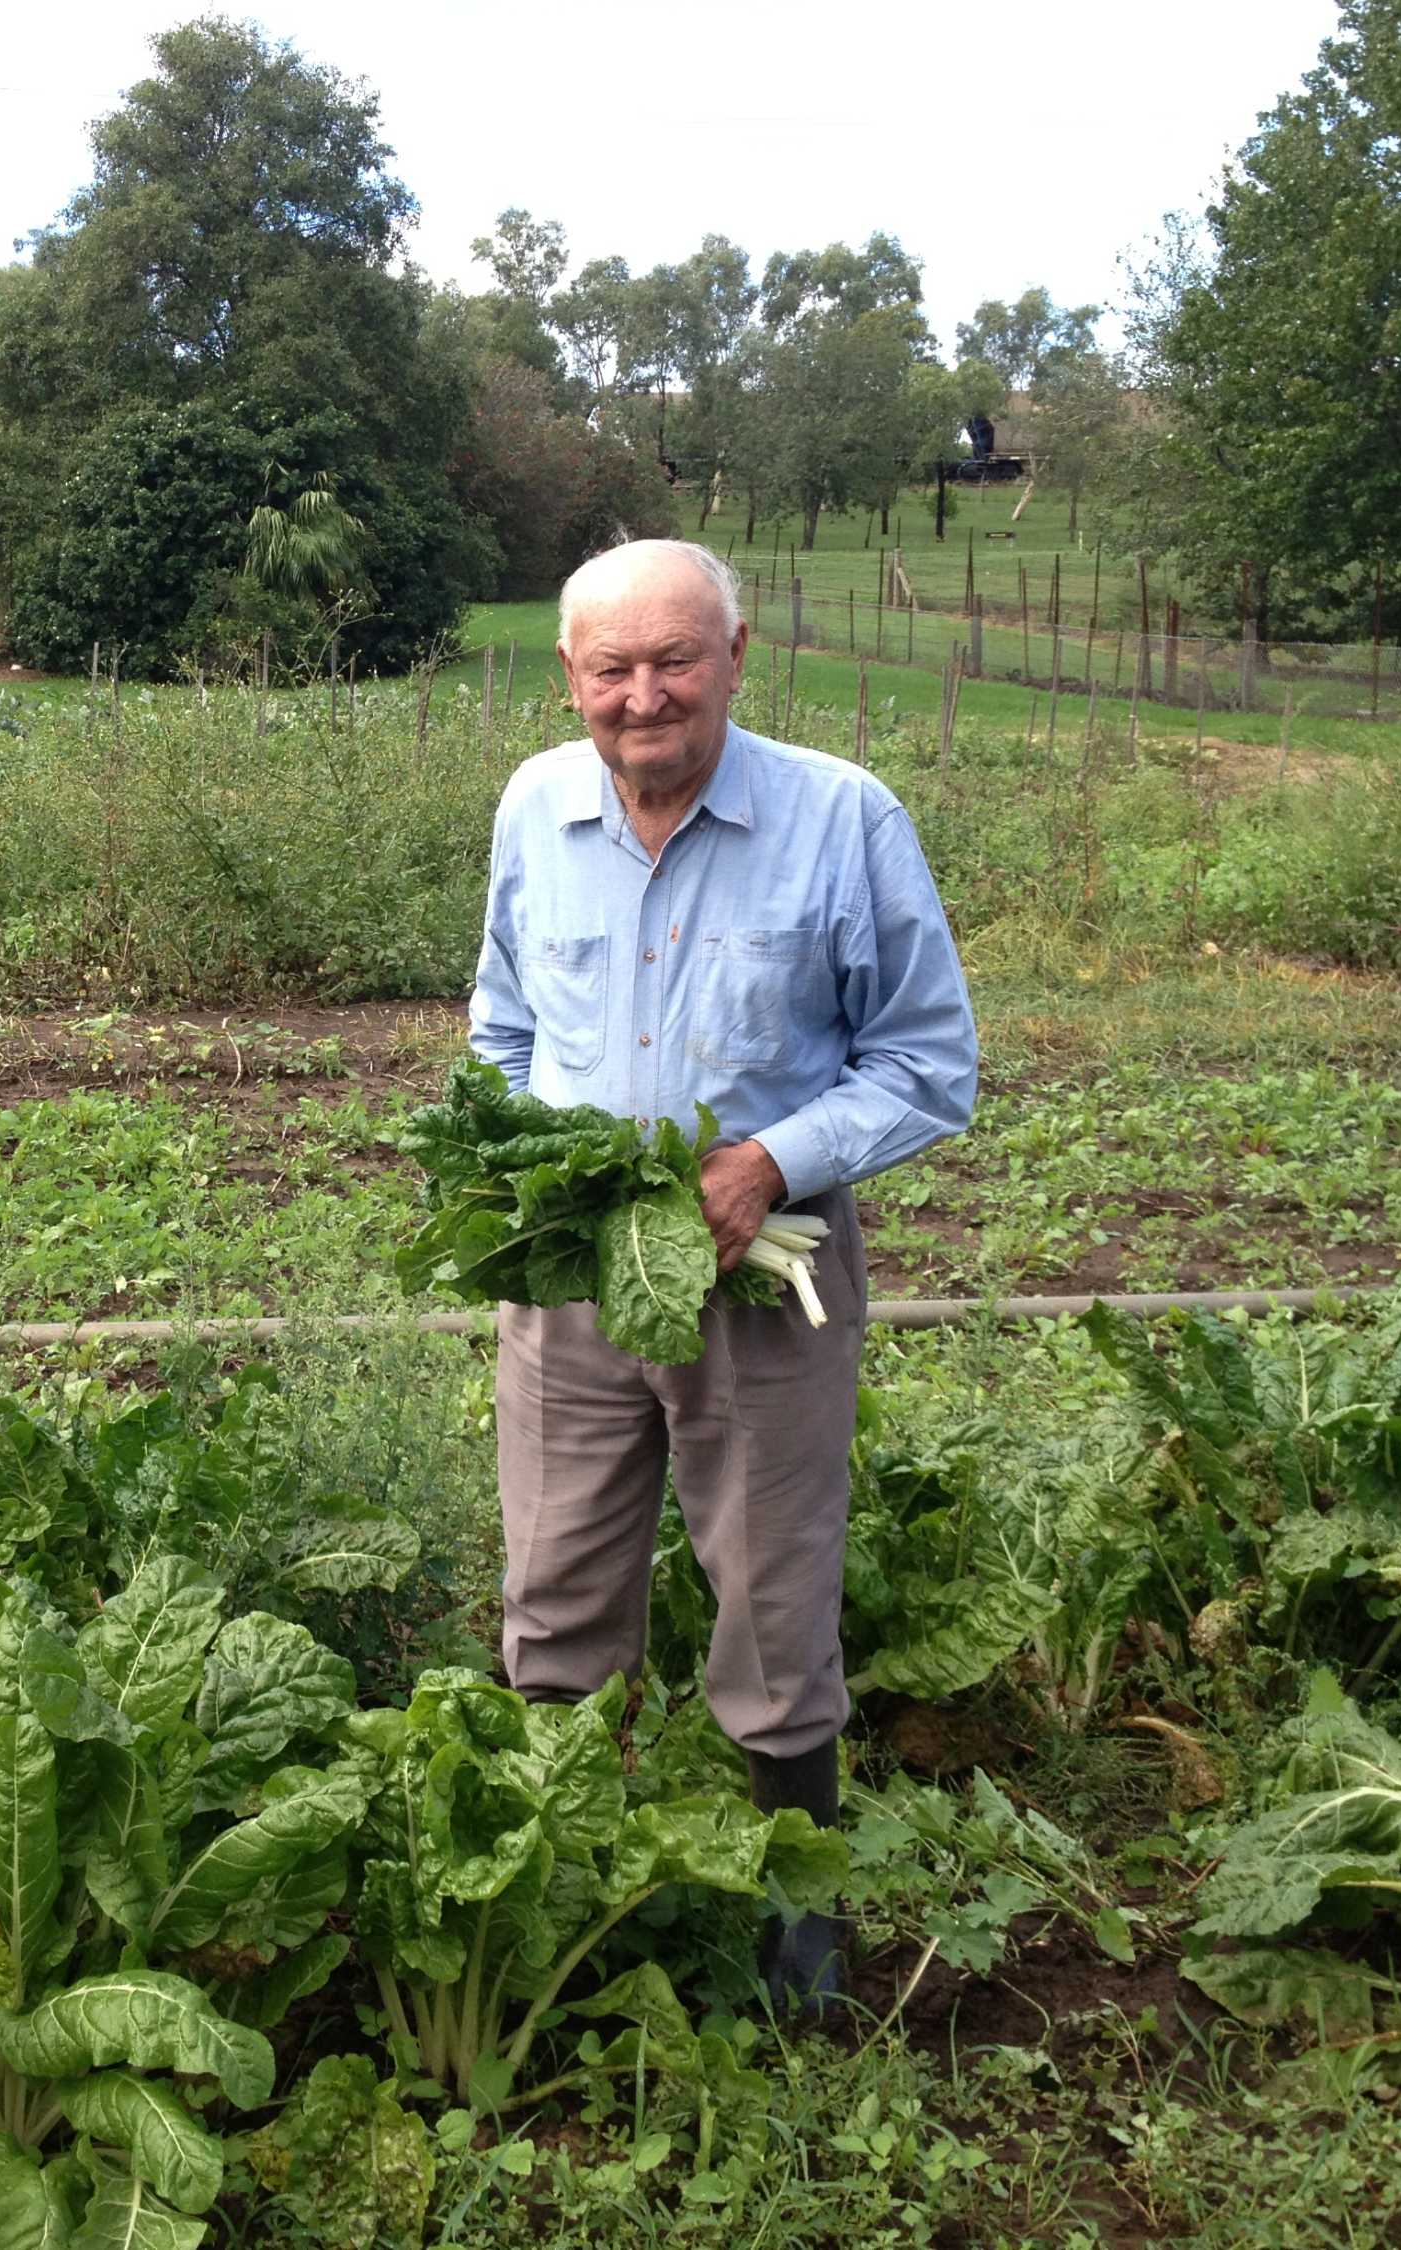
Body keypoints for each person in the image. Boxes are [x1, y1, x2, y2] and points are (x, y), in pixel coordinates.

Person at [467, 538, 979, 2014]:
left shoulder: (842, 818)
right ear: (569, 675)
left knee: (770, 1593)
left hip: (764, 1282)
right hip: (573, 1273)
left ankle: (797, 1934)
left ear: (738, 656)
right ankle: (562, 1905)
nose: (645, 696)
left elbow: (928, 1065)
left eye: (675, 660)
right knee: (554, 1589)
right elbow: (502, 1028)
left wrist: (771, 1160)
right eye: (612, 668)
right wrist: (521, 1179)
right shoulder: (533, 809)